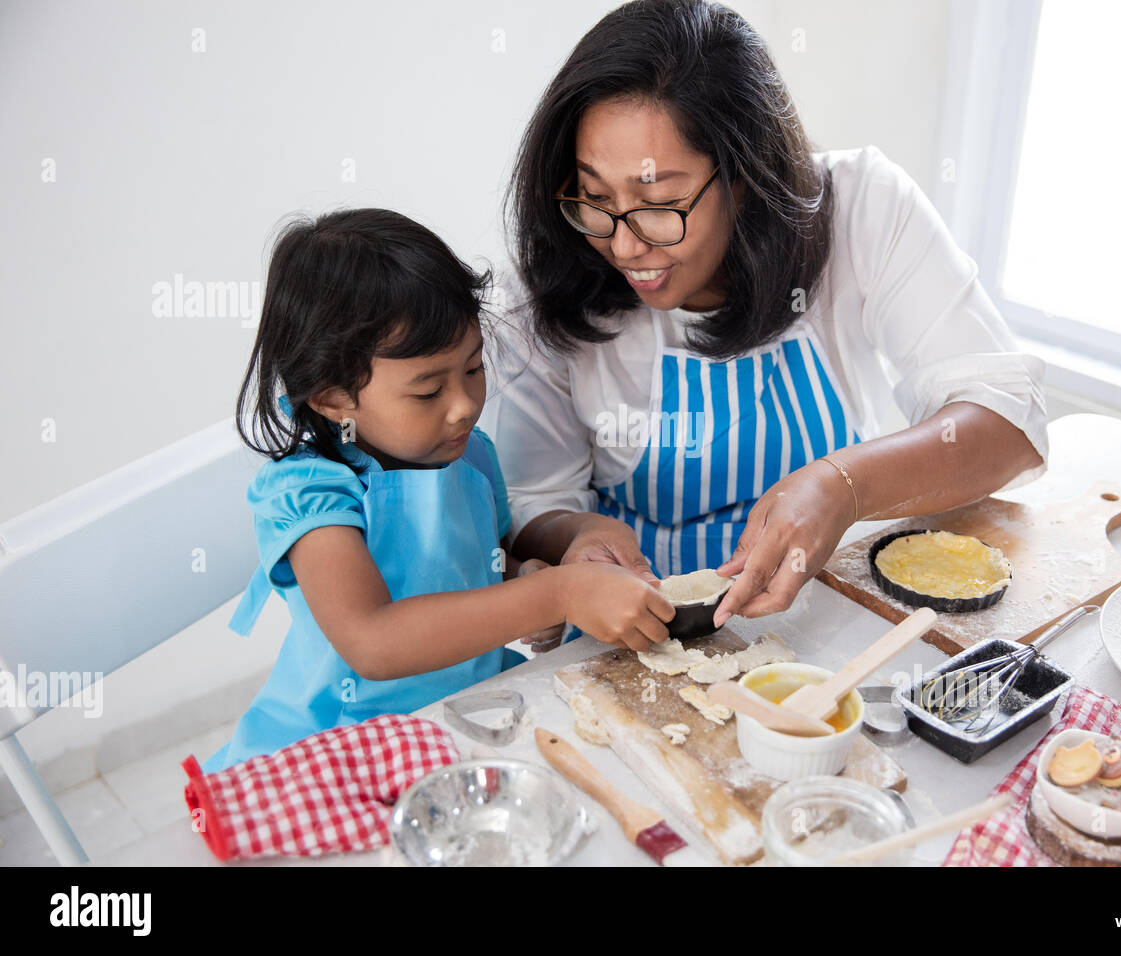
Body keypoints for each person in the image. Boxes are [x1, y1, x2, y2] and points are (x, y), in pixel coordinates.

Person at [493, 0, 1048, 636]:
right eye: (594, 198)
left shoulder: (860, 209)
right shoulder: (549, 282)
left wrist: (844, 487)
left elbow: (1009, 418)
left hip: (836, 617)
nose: (624, 245)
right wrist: (581, 533)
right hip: (636, 636)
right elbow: (533, 497)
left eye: (659, 204)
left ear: (743, 177)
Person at [202, 209, 671, 772]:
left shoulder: (470, 455)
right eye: (427, 392)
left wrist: (527, 576)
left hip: (464, 717)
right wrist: (556, 595)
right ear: (331, 398)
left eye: (473, 369)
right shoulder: (311, 493)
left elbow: (484, 567)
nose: (465, 406)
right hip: (343, 744)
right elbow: (374, 642)